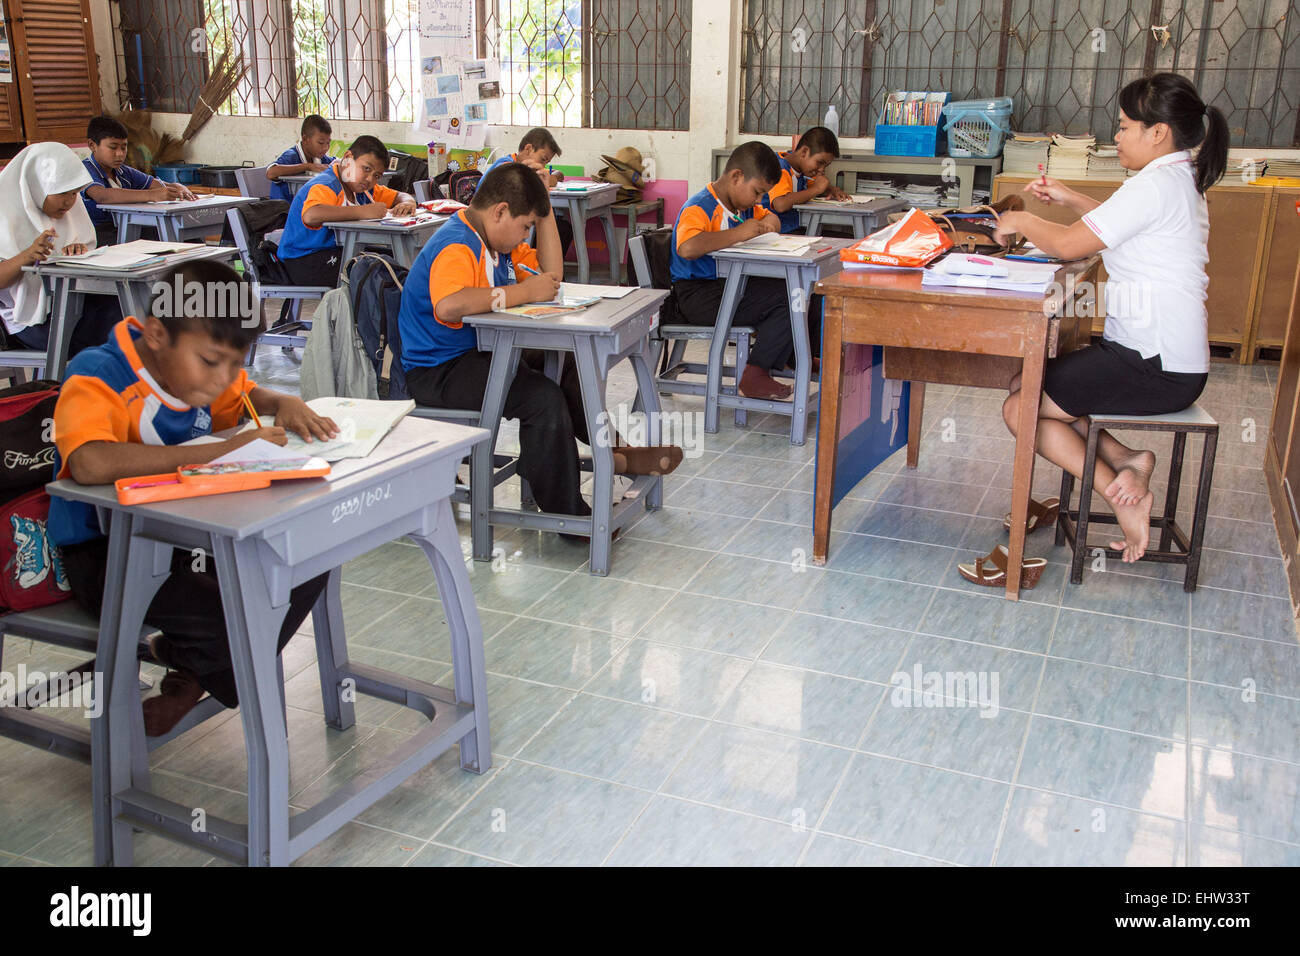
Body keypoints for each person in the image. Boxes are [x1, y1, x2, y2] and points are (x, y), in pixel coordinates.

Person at [48, 258, 340, 735]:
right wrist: (221, 452)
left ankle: (191, 664)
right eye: (210, 361)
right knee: (243, 613)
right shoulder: (98, 372)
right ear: (158, 334)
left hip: (184, 543)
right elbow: (88, 462)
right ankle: (192, 670)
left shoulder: (199, 377)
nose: (222, 379)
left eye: (235, 364)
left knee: (307, 561)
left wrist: (282, 402)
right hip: (106, 558)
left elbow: (246, 395)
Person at [992, 72, 1228, 570]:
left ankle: (1122, 493)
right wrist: (1072, 199)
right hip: (1162, 359)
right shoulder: (1175, 178)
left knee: (1021, 407)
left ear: (1157, 132)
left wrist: (1020, 220)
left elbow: (1068, 245)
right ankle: (1125, 460)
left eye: (1124, 127)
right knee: (1027, 384)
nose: (1117, 137)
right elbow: (1124, 223)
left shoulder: (1156, 185)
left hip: (1153, 365)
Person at [398, 162, 682, 523]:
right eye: (525, 226)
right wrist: (519, 292)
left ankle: (613, 452)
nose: (524, 237)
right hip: (439, 369)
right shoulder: (457, 243)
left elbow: (550, 277)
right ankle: (569, 515)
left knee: (567, 365)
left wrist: (545, 210)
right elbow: (449, 304)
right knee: (541, 400)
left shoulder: (494, 242)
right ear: (500, 211)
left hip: (481, 351)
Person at [670, 141, 796, 400]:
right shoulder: (700, 206)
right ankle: (756, 374)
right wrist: (737, 234)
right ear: (736, 176)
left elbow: (770, 216)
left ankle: (792, 356)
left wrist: (769, 223)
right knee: (785, 298)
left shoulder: (744, 206)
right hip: (698, 295)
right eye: (757, 192)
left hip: (729, 287)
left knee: (797, 289)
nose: (758, 200)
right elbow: (687, 247)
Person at [0, 142, 121, 353]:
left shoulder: (70, 214)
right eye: (63, 193)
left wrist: (79, 250)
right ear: (37, 186)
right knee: (124, 325)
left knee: (132, 310)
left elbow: (86, 251)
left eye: (74, 193)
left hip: (73, 305)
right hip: (30, 323)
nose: (69, 202)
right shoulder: (5, 215)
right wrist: (27, 256)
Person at [276, 134, 417, 286]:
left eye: (376, 175)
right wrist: (363, 211)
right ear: (348, 157)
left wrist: (408, 202)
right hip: (303, 259)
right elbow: (311, 215)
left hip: (335, 252)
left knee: (395, 261)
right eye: (366, 169)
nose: (369, 179)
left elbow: (399, 196)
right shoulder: (327, 184)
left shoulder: (364, 190)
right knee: (375, 274)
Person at [82, 115, 194, 247]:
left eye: (124, 147)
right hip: (99, 234)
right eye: (113, 147)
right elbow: (102, 196)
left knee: (185, 237)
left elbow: (156, 185)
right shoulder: (84, 170)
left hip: (127, 228)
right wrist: (152, 195)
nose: (120, 154)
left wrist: (177, 187)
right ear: (92, 145)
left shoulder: (123, 171)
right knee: (160, 243)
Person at [486, 127, 573, 254]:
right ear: (528, 149)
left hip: (515, 222)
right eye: (543, 159)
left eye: (547, 163)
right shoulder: (506, 166)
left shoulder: (529, 168)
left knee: (563, 228)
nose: (543, 166)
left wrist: (552, 176)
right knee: (557, 229)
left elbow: (558, 174)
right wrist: (549, 179)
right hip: (500, 228)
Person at [761, 125, 848, 234]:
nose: (821, 169)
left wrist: (831, 189)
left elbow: (815, 186)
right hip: (778, 232)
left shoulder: (803, 171)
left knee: (845, 238)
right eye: (820, 163)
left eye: (826, 166)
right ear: (804, 152)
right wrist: (817, 189)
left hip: (796, 229)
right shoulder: (779, 168)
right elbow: (781, 204)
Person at [266, 114, 336, 202]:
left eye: (328, 143)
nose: (326, 148)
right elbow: (271, 173)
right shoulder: (291, 156)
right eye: (321, 143)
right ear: (305, 139)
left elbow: (335, 163)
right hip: (283, 211)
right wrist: (308, 166)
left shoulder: (320, 158)